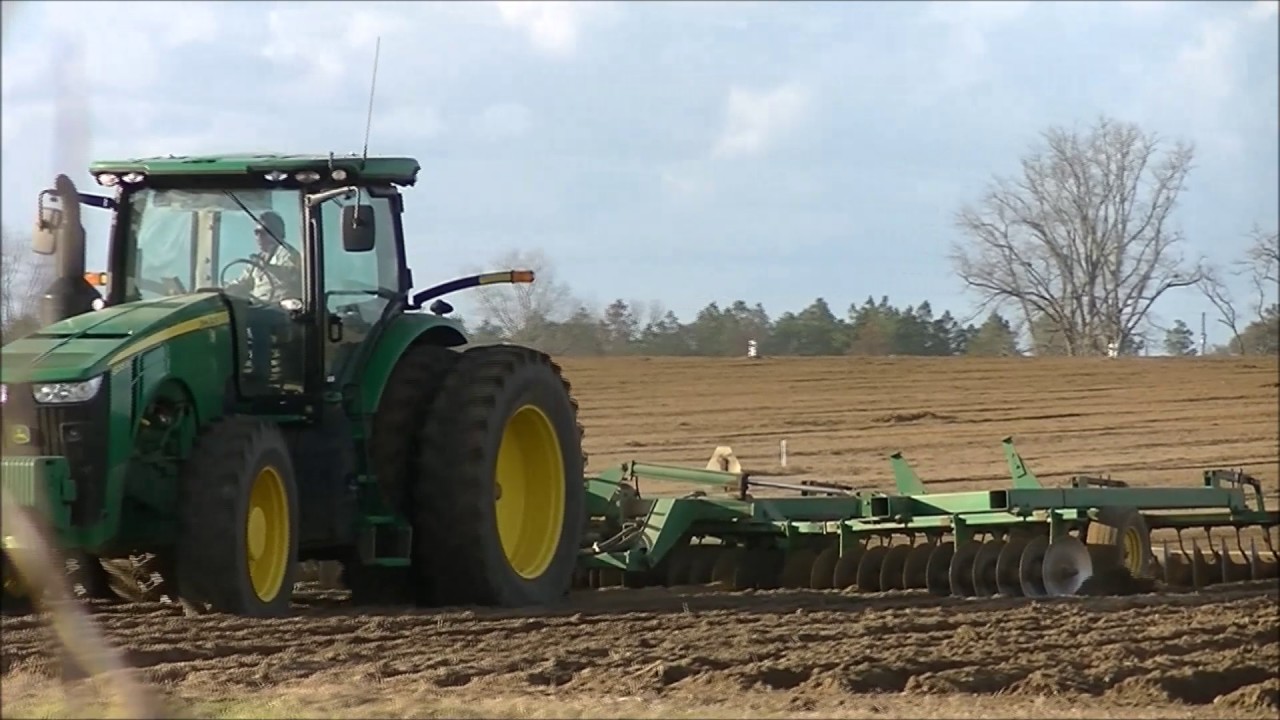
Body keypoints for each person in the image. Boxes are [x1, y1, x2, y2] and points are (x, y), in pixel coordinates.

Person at [224, 211, 302, 387]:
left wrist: (267, 267)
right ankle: (234, 366)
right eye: (256, 232)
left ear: (277, 233)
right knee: (232, 314)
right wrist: (224, 289)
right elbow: (243, 282)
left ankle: (260, 372)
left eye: (263, 232)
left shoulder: (288, 254)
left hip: (283, 309)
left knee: (255, 318)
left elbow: (290, 274)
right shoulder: (258, 259)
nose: (258, 236)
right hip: (260, 306)